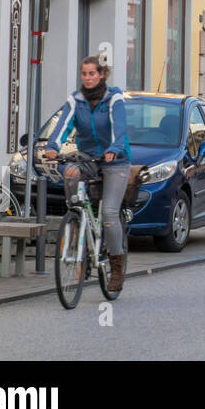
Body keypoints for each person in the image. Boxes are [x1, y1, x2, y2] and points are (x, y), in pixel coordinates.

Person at [42, 56, 130, 293]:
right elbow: (63, 126)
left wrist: (114, 149)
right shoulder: (76, 100)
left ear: (102, 75)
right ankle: (77, 218)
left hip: (115, 161)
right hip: (88, 159)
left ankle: (116, 267)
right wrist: (53, 147)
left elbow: (119, 129)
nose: (88, 78)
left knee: (110, 212)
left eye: (92, 73)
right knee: (70, 171)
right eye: (84, 74)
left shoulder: (114, 98)